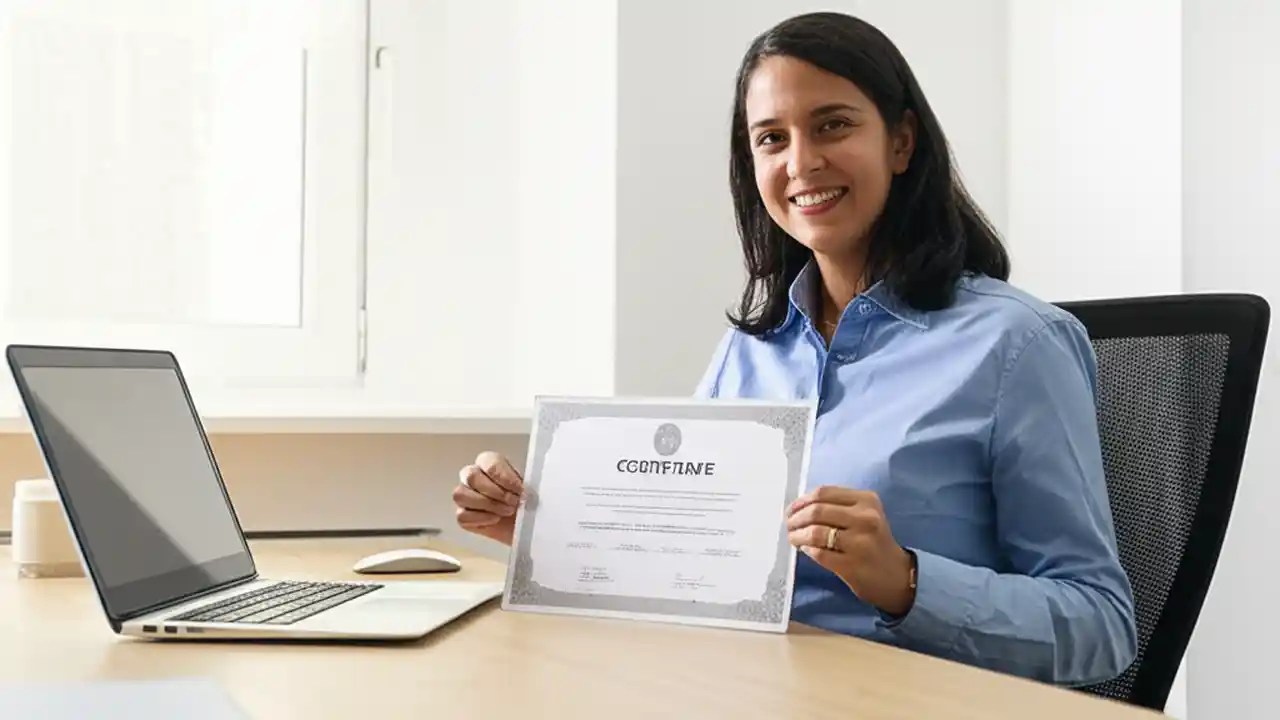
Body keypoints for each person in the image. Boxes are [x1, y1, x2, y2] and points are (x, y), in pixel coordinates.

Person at [451, 11, 1138, 686]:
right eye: (771, 138)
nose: (801, 161)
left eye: (833, 125)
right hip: (749, 691)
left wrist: (904, 581)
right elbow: (689, 571)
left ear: (901, 142)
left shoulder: (1019, 346)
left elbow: (1102, 627)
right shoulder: (746, 352)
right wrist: (555, 533)